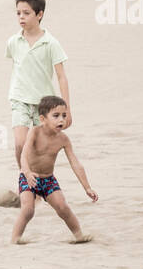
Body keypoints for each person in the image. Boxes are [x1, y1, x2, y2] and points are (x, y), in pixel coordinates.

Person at [0, 0, 71, 208]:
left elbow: (61, 76)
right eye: (18, 13)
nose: (21, 17)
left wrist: (66, 111)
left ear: (39, 14)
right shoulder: (13, 42)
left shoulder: (51, 43)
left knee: (39, 148)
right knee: (20, 144)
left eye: (26, 13)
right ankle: (26, 185)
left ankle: (38, 190)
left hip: (43, 105)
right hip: (19, 99)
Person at [11, 95, 96, 244]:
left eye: (64, 115)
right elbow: (24, 155)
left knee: (63, 207)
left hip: (48, 179)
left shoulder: (63, 139)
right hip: (28, 177)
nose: (61, 120)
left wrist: (87, 187)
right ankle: (15, 238)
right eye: (56, 116)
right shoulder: (35, 132)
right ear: (43, 119)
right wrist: (27, 172)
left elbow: (75, 163)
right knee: (28, 209)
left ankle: (79, 236)